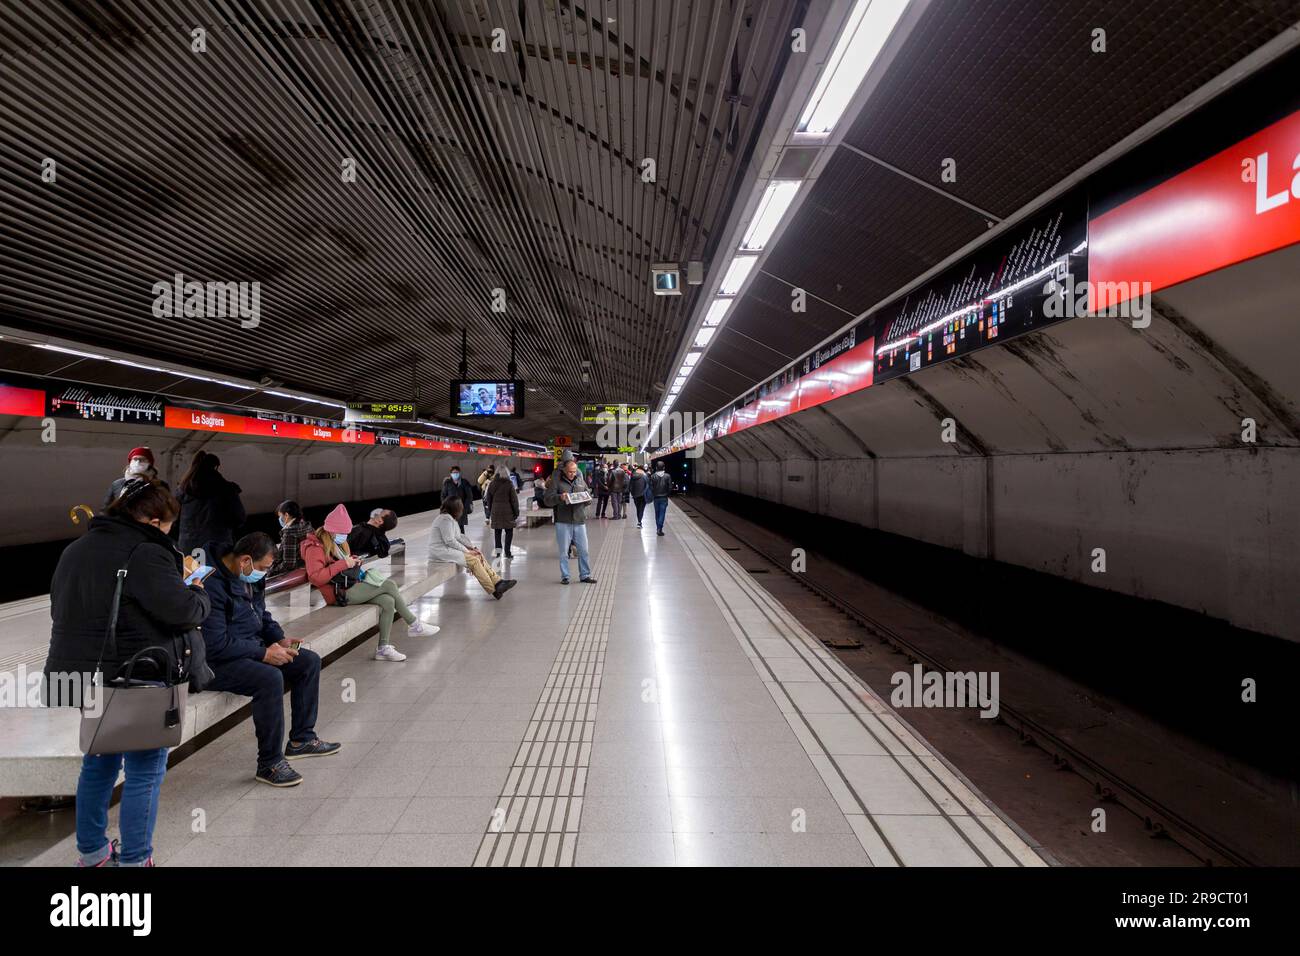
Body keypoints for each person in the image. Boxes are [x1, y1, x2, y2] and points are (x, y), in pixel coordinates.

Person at [45, 476, 211, 866]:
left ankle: (93, 855)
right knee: (144, 771)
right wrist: (198, 591)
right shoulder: (147, 552)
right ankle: (136, 859)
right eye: (169, 524)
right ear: (153, 521)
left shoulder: (75, 550)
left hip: (88, 676)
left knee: (98, 763)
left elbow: (59, 610)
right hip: (139, 675)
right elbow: (182, 611)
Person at [201, 532, 341, 787]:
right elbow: (215, 644)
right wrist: (263, 653)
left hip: (248, 649)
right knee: (269, 679)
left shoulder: (251, 580)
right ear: (245, 561)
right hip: (214, 663)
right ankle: (270, 763)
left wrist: (279, 638)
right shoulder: (211, 584)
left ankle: (302, 740)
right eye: (263, 568)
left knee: (308, 661)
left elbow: (261, 615)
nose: (264, 574)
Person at [302, 504, 435, 663]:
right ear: (332, 530)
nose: (345, 536)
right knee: (389, 585)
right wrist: (344, 564)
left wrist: (353, 561)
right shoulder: (315, 547)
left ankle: (383, 649)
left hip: (349, 585)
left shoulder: (337, 543)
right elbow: (316, 578)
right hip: (338, 594)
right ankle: (414, 624)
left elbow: (345, 560)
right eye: (343, 533)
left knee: (388, 601)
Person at [429, 498, 516, 598]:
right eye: (461, 507)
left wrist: (473, 548)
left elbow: (459, 537)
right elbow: (450, 541)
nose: (462, 510)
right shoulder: (445, 520)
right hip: (440, 552)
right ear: (456, 508)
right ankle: (494, 590)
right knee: (474, 561)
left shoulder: (450, 519)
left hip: (446, 550)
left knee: (478, 555)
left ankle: (497, 582)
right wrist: (467, 552)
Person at [176, 449, 245, 557]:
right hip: (218, 546)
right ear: (216, 467)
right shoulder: (226, 489)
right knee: (215, 573)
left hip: (188, 546)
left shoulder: (183, 489)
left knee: (192, 573)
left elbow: (174, 518)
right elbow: (239, 518)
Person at [543, 457, 597, 585]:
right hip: (563, 521)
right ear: (564, 471)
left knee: (584, 550)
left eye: (574, 471)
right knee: (563, 551)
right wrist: (560, 497)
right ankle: (565, 576)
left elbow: (588, 497)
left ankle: (585, 575)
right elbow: (547, 499)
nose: (573, 474)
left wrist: (586, 498)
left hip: (579, 520)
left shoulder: (580, 480)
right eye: (570, 472)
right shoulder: (556, 482)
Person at [269, 499, 313, 576]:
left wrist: (271, 571)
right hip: (308, 567)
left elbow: (288, 564)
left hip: (296, 573)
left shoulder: (290, 533)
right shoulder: (307, 526)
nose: (279, 519)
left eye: (280, 516)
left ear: (286, 515)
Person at [485, 468, 520, 559]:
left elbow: (488, 499)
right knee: (509, 532)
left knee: (497, 532)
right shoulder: (509, 484)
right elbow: (514, 500)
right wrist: (516, 512)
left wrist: (491, 510)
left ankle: (498, 552)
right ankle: (507, 552)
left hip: (496, 511)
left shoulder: (492, 484)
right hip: (508, 511)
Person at [441, 465, 475, 533]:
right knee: (451, 528)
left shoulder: (464, 482)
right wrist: (445, 506)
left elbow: (469, 496)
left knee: (460, 528)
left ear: (459, 473)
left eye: (456, 472)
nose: (455, 474)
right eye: (453, 473)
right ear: (450, 474)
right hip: (450, 510)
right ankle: (453, 543)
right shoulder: (448, 483)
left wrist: (464, 507)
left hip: (461, 509)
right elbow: (443, 495)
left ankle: (462, 542)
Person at [650, 461, 673, 537]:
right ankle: (660, 528)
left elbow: (651, 487)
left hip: (656, 498)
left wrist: (653, 494)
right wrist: (667, 494)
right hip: (664, 498)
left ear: (656, 467)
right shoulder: (667, 476)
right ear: (664, 467)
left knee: (657, 513)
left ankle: (658, 528)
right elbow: (670, 487)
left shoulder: (653, 476)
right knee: (662, 513)